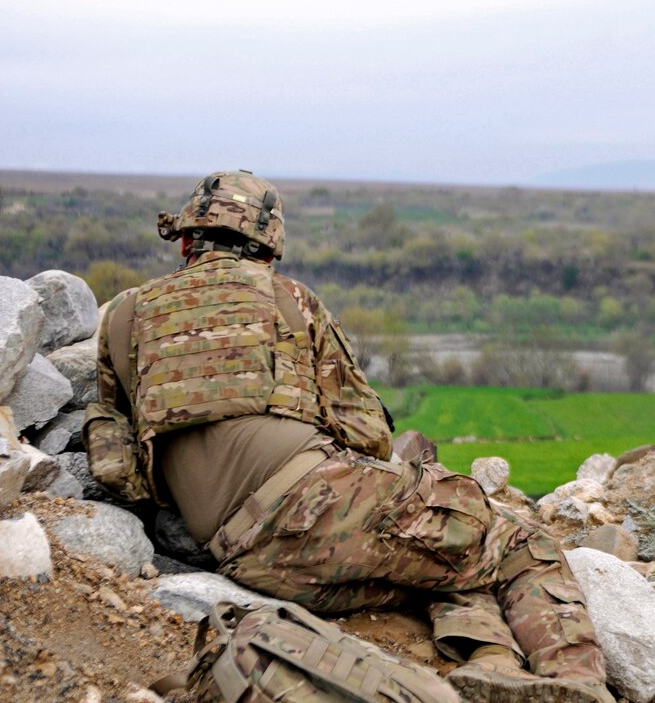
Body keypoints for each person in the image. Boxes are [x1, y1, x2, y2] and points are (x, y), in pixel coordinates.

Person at [85, 170, 614, 702]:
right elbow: (367, 433)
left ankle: (493, 660)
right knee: (516, 540)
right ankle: (579, 685)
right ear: (267, 251)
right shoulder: (289, 298)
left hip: (242, 558)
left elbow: (120, 469)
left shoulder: (123, 316)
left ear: (184, 241)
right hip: (313, 511)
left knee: (433, 566)